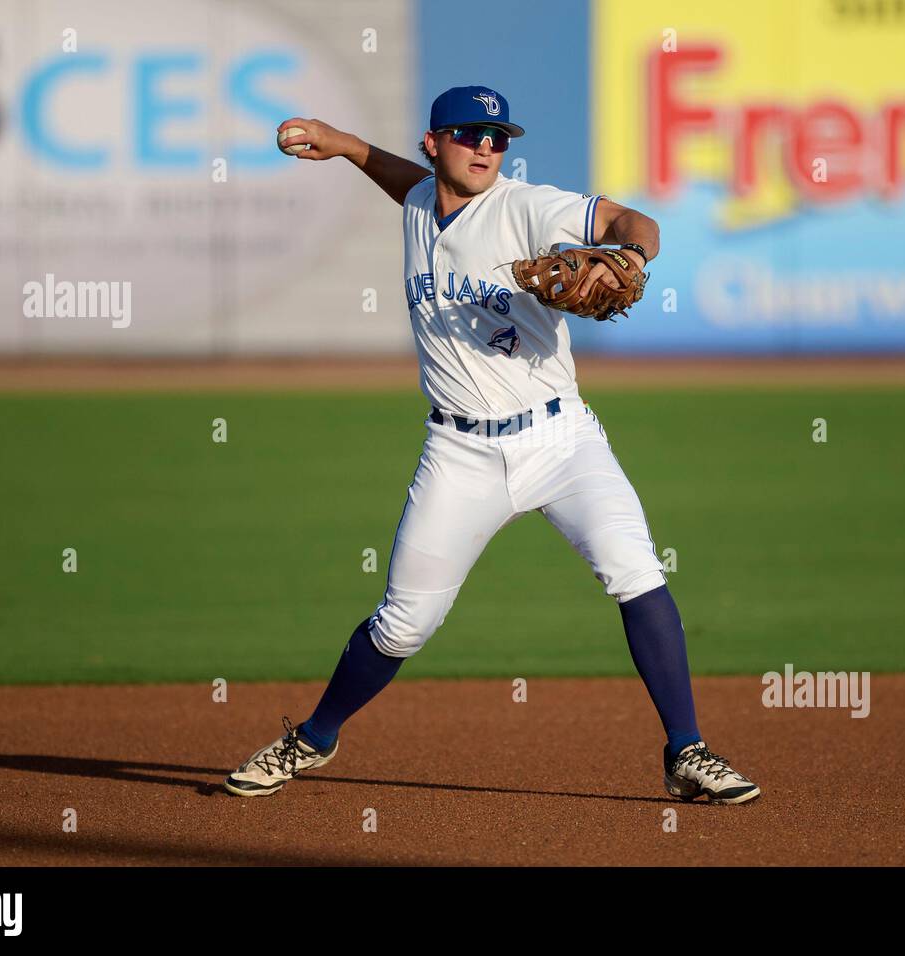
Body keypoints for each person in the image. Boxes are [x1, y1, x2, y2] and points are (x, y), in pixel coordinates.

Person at [224, 86, 760, 806]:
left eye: (497, 136)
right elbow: (406, 184)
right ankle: (314, 738)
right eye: (470, 133)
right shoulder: (420, 203)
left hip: (561, 438)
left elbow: (639, 220)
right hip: (459, 454)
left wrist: (628, 252)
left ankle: (687, 751)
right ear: (434, 142)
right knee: (403, 623)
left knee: (635, 572)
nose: (485, 147)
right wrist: (347, 144)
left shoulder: (528, 207)